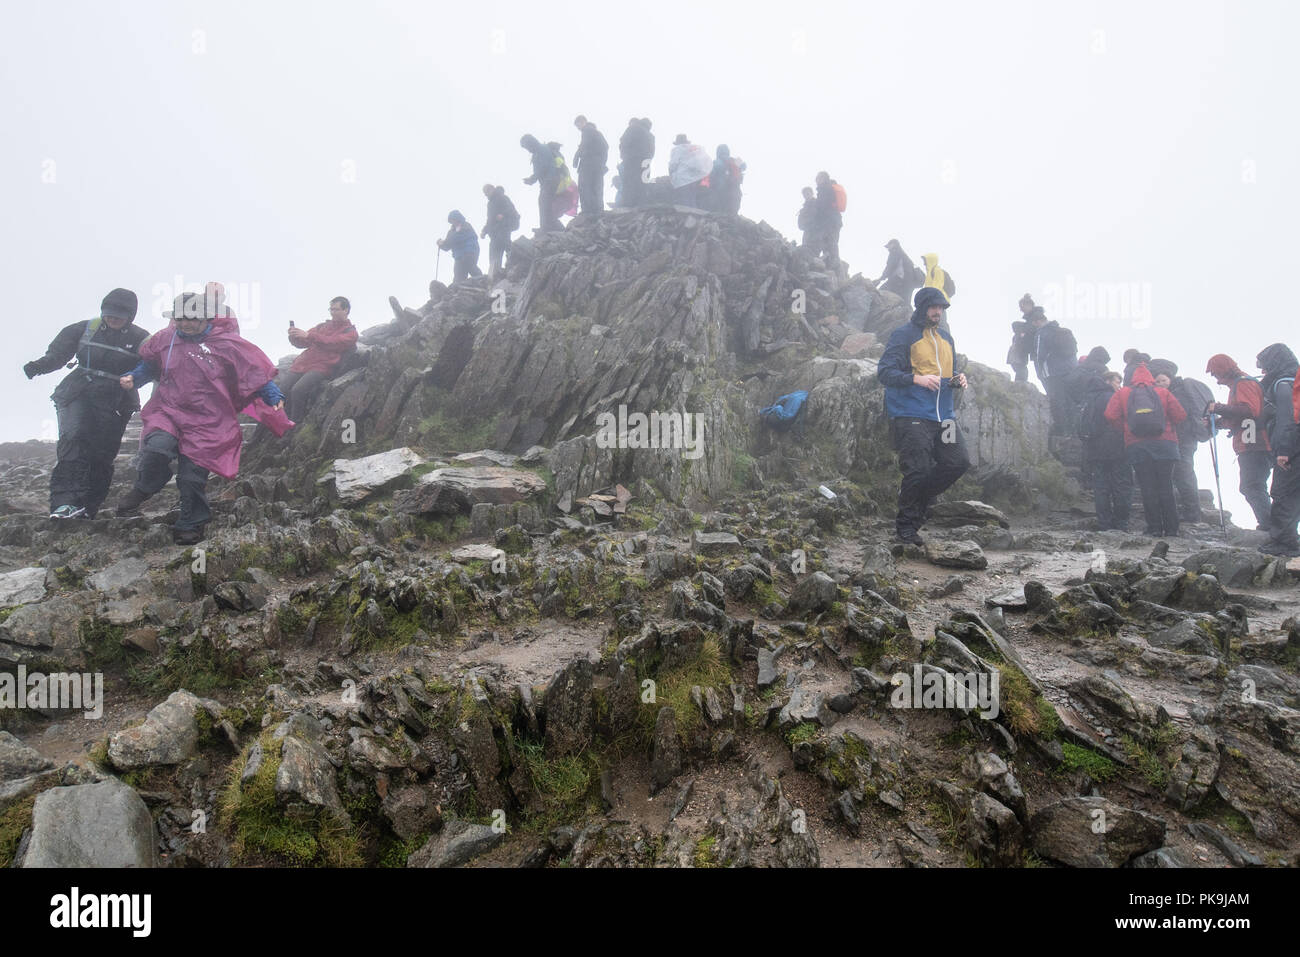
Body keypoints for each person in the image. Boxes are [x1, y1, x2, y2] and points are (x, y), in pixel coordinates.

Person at [116, 292, 284, 545]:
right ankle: (146, 486)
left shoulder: (226, 344)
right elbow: (149, 366)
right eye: (180, 318)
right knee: (156, 450)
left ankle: (191, 523)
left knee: (192, 475)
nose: (185, 324)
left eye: (192, 319)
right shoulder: (165, 339)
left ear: (207, 318)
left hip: (208, 418)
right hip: (168, 409)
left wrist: (272, 395)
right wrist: (133, 378)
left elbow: (252, 372)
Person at [22, 288, 149, 519]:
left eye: (119, 316)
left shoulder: (141, 338)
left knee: (102, 454)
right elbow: (58, 355)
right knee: (74, 439)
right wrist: (39, 366)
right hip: (77, 392)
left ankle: (88, 507)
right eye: (109, 313)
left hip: (116, 400)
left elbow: (153, 366)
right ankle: (64, 503)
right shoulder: (85, 329)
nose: (113, 319)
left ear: (130, 316)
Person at [876, 287, 970, 545]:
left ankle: (918, 502)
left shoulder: (946, 339)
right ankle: (906, 527)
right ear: (921, 308)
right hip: (911, 413)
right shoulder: (903, 335)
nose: (937, 312)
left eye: (941, 308)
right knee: (918, 469)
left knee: (958, 462)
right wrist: (916, 379)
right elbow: (884, 372)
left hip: (945, 417)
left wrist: (958, 378)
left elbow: (946, 373)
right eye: (933, 307)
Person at [1105, 362, 1187, 537]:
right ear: (1151, 377)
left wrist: (1127, 428)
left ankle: (1154, 527)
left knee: (1147, 487)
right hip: (1165, 444)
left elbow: (1110, 415)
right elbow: (1180, 415)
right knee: (1166, 485)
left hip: (1137, 445)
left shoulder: (1123, 393)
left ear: (1132, 377)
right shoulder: (1163, 392)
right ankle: (1172, 528)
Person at [1205, 353, 1274, 531]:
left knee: (1251, 485)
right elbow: (1240, 415)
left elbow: (1249, 411)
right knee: (1253, 485)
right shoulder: (1241, 383)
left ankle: (1270, 526)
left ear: (1222, 370)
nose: (1214, 377)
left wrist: (1218, 408)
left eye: (1214, 372)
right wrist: (1218, 422)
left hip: (1254, 443)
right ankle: (1271, 525)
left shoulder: (1243, 383)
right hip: (1251, 442)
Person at [277, 296, 359, 422]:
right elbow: (302, 343)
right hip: (302, 363)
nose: (332, 312)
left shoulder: (350, 333)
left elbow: (333, 342)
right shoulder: (322, 327)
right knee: (280, 391)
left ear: (346, 310)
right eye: (331, 309)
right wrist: (294, 336)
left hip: (321, 367)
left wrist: (310, 335)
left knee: (298, 390)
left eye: (336, 309)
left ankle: (293, 427)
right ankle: (272, 426)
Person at [1149, 359, 1209, 523]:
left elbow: (1179, 416)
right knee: (1182, 474)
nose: (1160, 383)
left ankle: (1192, 514)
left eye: (1162, 379)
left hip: (1181, 440)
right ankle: (1190, 512)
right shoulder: (1179, 389)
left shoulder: (1178, 392)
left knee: (1183, 474)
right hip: (1183, 439)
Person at [1255, 343, 1300, 556]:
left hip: (1292, 447)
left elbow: (1287, 419)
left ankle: (1285, 543)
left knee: (1283, 493)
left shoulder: (1283, 384)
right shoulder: (1294, 380)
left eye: (1264, 366)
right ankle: (1287, 540)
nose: (1262, 371)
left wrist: (1283, 450)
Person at [1078, 370, 1133, 530]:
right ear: (1108, 381)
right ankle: (1121, 524)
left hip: (1094, 449)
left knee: (1101, 487)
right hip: (1116, 448)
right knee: (1121, 485)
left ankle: (1104, 523)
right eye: (1117, 382)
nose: (1119, 385)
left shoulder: (1088, 399)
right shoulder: (1112, 397)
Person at [1028, 306, 1078, 435]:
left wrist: (1040, 374)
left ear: (1036, 321)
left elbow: (1039, 355)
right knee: (1070, 401)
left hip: (1053, 373)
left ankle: (1062, 431)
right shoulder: (1062, 331)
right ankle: (1074, 430)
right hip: (1072, 371)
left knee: (1057, 401)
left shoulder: (1042, 333)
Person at [521, 134, 564, 232]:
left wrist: (532, 179)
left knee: (544, 202)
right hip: (548, 181)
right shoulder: (539, 151)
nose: (527, 150)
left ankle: (546, 228)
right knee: (546, 204)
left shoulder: (541, 150)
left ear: (531, 143)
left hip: (551, 180)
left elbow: (543, 167)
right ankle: (555, 227)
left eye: (527, 146)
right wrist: (533, 178)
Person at [480, 184, 519, 281]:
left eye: (487, 192)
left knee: (503, 240)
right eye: (485, 193)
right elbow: (490, 219)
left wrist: (503, 215)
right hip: (494, 231)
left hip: (504, 225)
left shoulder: (502, 197)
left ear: (492, 189)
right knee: (494, 247)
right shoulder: (490, 204)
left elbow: (511, 209)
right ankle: (494, 272)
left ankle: (514, 261)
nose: (486, 195)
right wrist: (484, 230)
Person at [572, 115, 609, 216]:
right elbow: (606, 147)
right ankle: (598, 210)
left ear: (582, 122)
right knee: (596, 186)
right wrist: (602, 162)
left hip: (588, 164)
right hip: (597, 164)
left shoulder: (587, 131)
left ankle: (587, 210)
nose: (578, 128)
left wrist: (577, 158)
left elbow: (584, 146)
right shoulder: (596, 132)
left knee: (585, 186)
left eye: (578, 125)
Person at [437, 210, 483, 283]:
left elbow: (457, 238)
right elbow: (447, 246)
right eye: (451, 221)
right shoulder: (452, 231)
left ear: (458, 218)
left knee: (471, 267)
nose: (453, 222)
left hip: (469, 251)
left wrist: (444, 242)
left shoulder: (466, 226)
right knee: (458, 276)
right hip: (459, 256)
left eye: (454, 219)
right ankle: (459, 291)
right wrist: (441, 245)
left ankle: (482, 281)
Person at [618, 117, 654, 208]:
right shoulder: (651, 136)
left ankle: (627, 204)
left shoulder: (633, 128)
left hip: (632, 159)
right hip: (646, 161)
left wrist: (623, 155)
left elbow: (623, 141)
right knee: (643, 183)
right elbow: (652, 151)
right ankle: (641, 204)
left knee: (629, 181)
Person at [811, 171, 843, 269]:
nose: (816, 181)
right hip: (834, 221)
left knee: (830, 244)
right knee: (830, 244)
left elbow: (823, 206)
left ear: (823, 178)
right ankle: (830, 266)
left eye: (818, 179)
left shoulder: (825, 189)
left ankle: (833, 266)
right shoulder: (828, 188)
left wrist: (816, 218)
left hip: (829, 221)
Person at [668, 134, 709, 208]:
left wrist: (671, 173)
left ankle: (684, 217)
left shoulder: (677, 149)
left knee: (683, 200)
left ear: (677, 143)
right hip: (693, 179)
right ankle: (693, 217)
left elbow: (673, 164)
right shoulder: (692, 150)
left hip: (682, 179)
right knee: (691, 199)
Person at [877, 239, 920, 306]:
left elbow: (890, 267)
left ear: (894, 244)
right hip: (908, 284)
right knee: (904, 304)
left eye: (889, 246)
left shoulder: (895, 252)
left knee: (880, 294)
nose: (888, 248)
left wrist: (881, 278)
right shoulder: (904, 255)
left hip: (899, 281)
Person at [1006, 294, 1036, 382]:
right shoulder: (1028, 321)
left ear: (1028, 305)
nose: (1021, 309)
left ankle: (1020, 386)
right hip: (1019, 349)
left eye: (1022, 306)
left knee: (1021, 370)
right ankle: (1020, 386)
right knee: (1021, 370)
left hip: (1020, 349)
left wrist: (1023, 333)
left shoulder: (1034, 318)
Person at [707, 145, 743, 215]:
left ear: (718, 153)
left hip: (720, 193)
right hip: (735, 193)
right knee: (731, 215)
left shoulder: (716, 162)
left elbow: (710, 177)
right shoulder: (734, 161)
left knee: (720, 214)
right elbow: (744, 165)